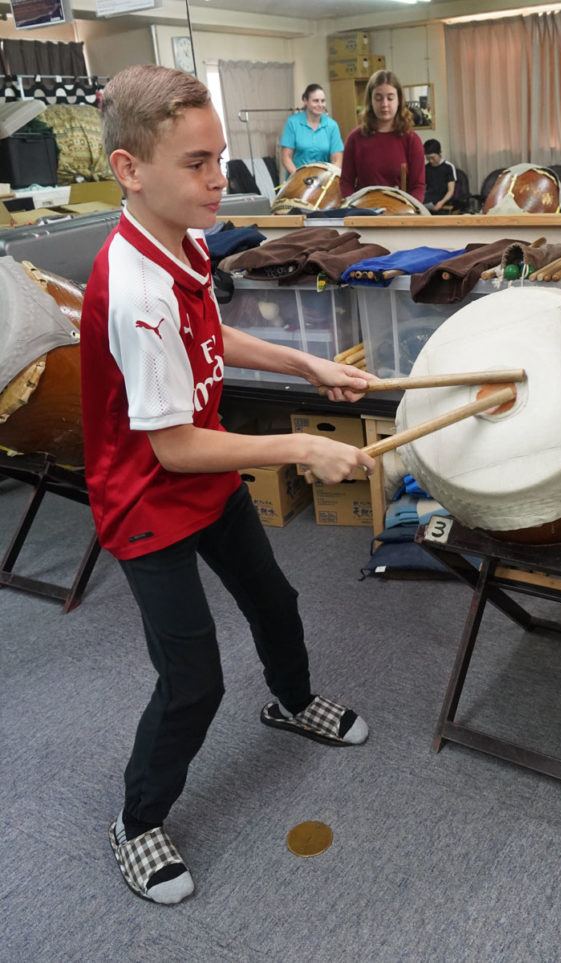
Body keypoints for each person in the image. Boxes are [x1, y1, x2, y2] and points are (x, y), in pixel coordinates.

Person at [81, 64, 376, 906]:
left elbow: (211, 337)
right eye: (197, 164)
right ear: (130, 170)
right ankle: (137, 821)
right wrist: (300, 448)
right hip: (147, 502)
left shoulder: (185, 238)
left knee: (275, 603)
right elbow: (172, 448)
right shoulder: (134, 287)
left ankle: (290, 701)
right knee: (194, 680)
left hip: (204, 478)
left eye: (221, 158)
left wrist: (305, 363)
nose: (220, 181)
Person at [340, 70, 426, 202]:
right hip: (364, 213)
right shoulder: (355, 139)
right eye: (378, 98)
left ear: (399, 100)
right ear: (370, 101)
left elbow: (418, 187)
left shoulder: (412, 140)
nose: (384, 104)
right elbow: (346, 183)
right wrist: (355, 208)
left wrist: (407, 212)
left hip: (402, 216)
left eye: (390, 98)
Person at [280, 84, 343, 176]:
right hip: (297, 180)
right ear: (305, 101)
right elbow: (286, 157)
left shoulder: (332, 125)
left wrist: (326, 178)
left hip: (324, 180)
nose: (320, 105)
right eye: (315, 101)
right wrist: (299, 178)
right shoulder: (293, 123)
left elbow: (337, 160)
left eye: (323, 101)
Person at [423, 138, 457, 213]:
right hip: (429, 200)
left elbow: (451, 191)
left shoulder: (448, 167)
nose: (431, 161)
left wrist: (441, 203)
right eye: (428, 158)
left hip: (444, 200)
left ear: (439, 153)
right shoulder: (426, 168)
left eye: (433, 157)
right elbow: (423, 188)